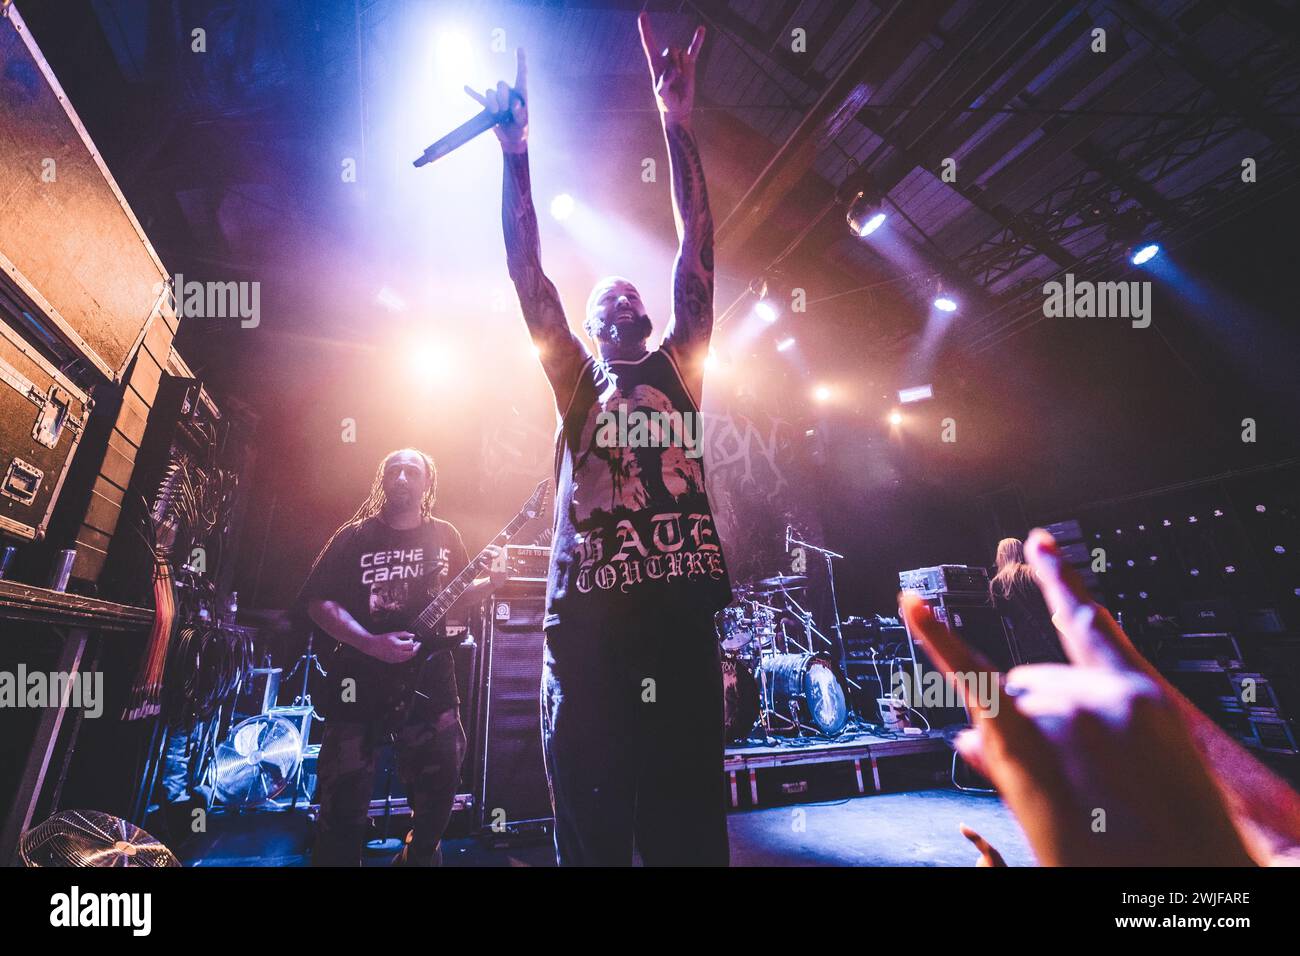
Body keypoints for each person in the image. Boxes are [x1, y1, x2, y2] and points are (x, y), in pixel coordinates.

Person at [473, 14, 731, 865]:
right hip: (590, 639)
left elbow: (696, 248)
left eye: (632, 296)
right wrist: (517, 156)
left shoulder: (680, 372)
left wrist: (678, 126)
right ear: (587, 328)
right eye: (604, 300)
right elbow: (526, 275)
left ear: (650, 317)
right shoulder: (578, 382)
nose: (621, 300)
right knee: (593, 836)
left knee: (688, 834)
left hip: (682, 628)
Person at [903, 528, 1300, 866]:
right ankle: (1100, 772)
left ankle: (1063, 775)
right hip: (1055, 643)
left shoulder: (998, 583)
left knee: (1038, 711)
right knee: (1078, 702)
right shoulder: (1028, 574)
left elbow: (999, 618)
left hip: (1021, 653)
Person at [298, 448, 503, 866]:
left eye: (413, 470)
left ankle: (417, 857)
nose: (403, 477)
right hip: (358, 679)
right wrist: (371, 644)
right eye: (394, 470)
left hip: (430, 682)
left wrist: (491, 583)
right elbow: (318, 602)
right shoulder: (355, 536)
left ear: (428, 482)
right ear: (383, 480)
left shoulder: (445, 536)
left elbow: (455, 599)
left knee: (439, 792)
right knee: (342, 803)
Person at [990, 536, 1067, 664]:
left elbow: (1003, 616)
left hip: (1027, 641)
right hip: (1052, 634)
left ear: (1001, 556)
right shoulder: (1034, 573)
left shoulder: (997, 583)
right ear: (1021, 552)